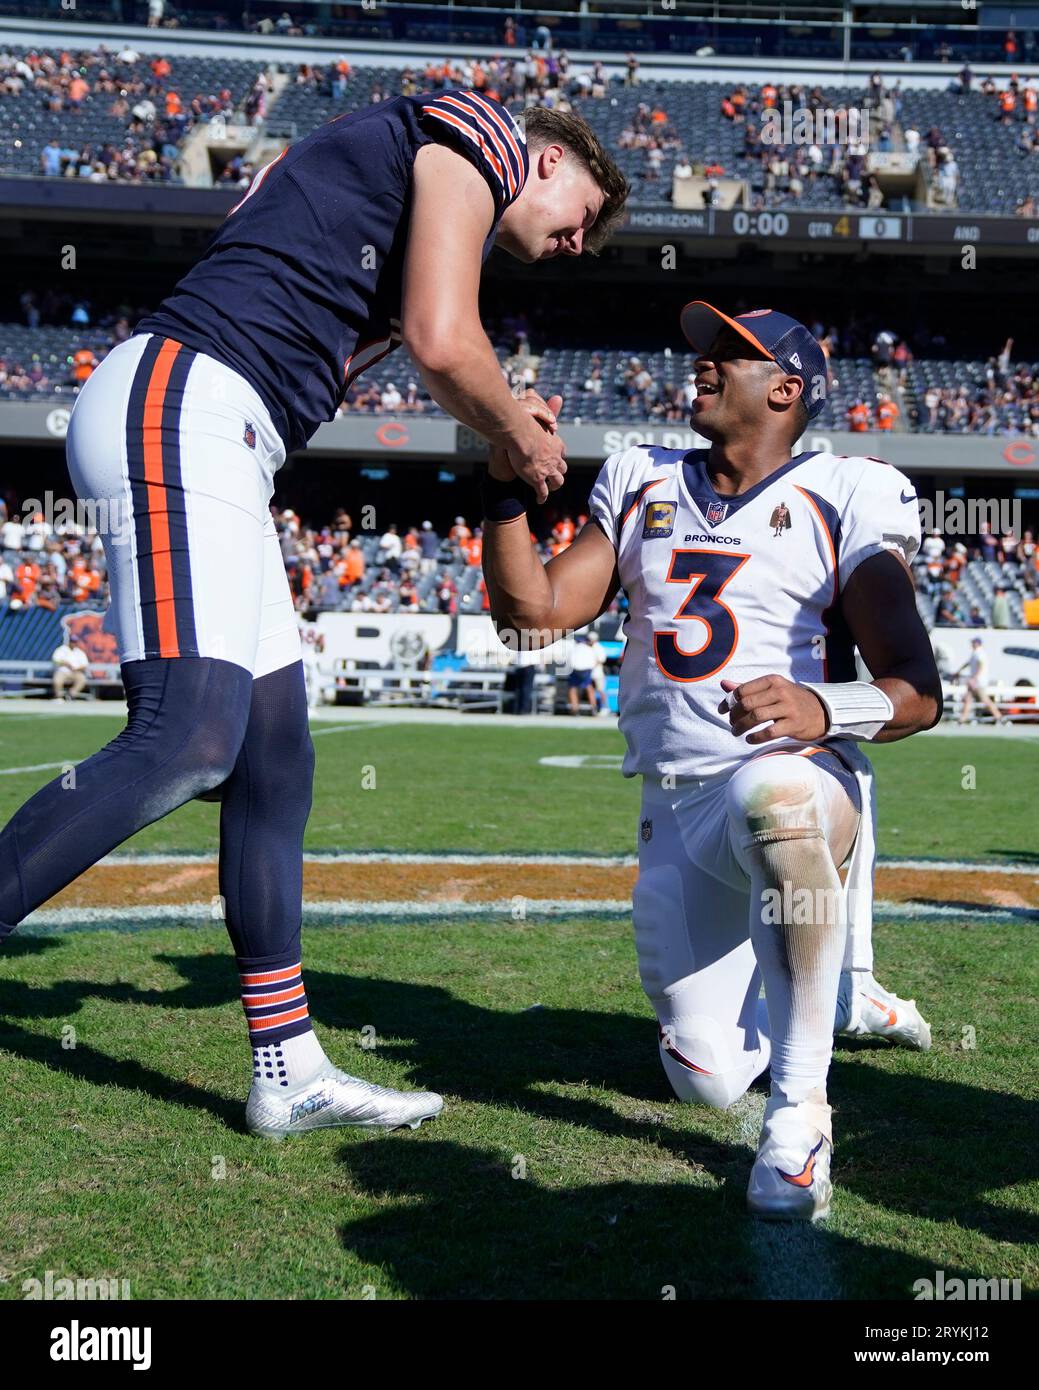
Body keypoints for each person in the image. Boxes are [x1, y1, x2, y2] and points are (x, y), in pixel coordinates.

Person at [0, 90, 629, 1141]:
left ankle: (286, 1066)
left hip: (226, 431)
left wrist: (503, 421)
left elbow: (432, 341)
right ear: (549, 154)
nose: (571, 244)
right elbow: (439, 336)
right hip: (188, 399)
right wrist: (520, 429)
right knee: (185, 739)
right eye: (578, 218)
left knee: (274, 756)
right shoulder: (479, 136)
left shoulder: (423, 178)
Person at [481, 303, 940, 1221]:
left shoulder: (848, 488)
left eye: (730, 353)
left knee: (777, 794)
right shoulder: (640, 477)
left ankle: (802, 1111)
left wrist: (821, 706)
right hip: (674, 805)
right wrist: (500, 491)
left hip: (794, 779)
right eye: (703, 351)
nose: (701, 363)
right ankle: (834, 987)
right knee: (703, 1078)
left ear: (785, 386)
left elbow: (916, 690)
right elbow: (529, 618)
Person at [956, 637, 1005, 724]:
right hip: (975, 681)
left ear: (977, 643)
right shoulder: (975, 653)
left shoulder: (979, 653)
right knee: (968, 699)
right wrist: (958, 671)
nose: (971, 644)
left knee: (985, 700)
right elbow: (968, 663)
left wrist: (974, 678)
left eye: (973, 643)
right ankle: (962, 719)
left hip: (978, 682)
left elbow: (981, 666)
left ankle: (999, 717)